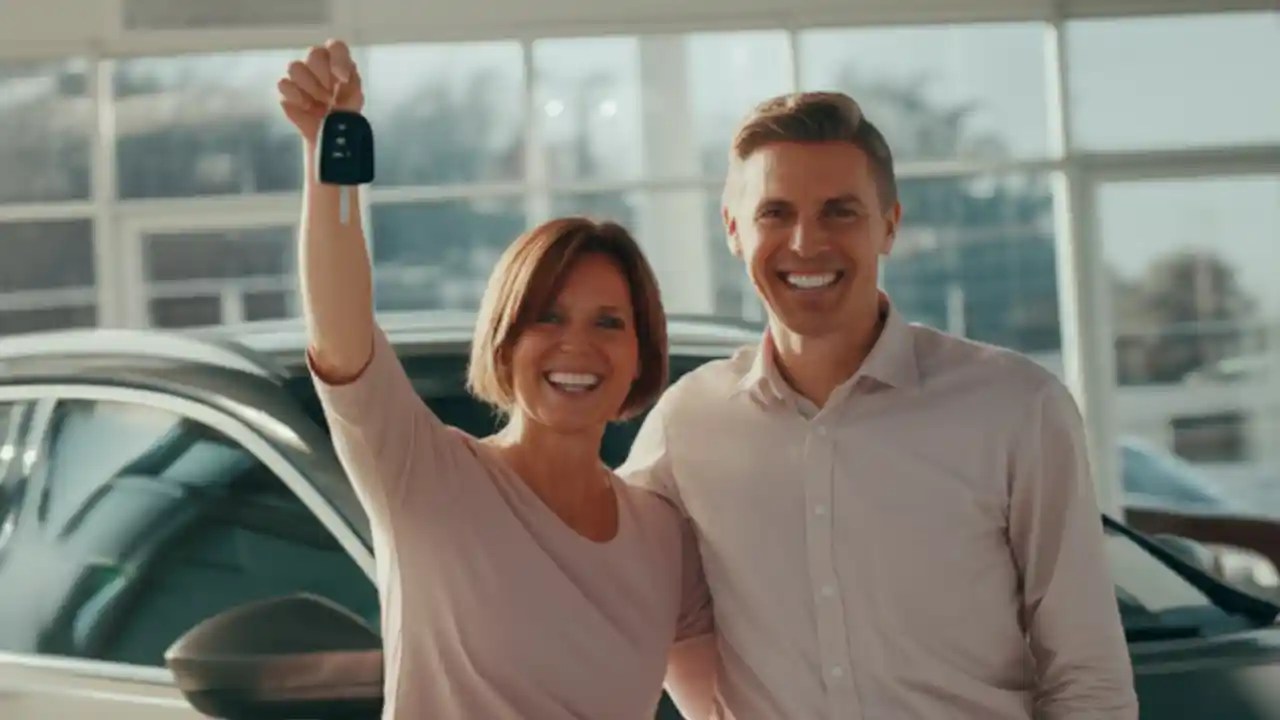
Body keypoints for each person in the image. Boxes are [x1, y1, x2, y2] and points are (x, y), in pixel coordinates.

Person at [619, 91, 1139, 719]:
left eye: (839, 212)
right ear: (733, 228)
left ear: (889, 223)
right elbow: (604, 584)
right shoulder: (688, 422)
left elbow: (1089, 676)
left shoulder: (1016, 408)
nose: (806, 242)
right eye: (775, 212)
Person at [277, 39, 715, 719]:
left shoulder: (661, 533)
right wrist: (326, 156)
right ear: (504, 341)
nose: (578, 346)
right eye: (548, 317)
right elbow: (340, 326)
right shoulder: (424, 477)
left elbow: (721, 700)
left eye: (608, 323)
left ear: (641, 352)